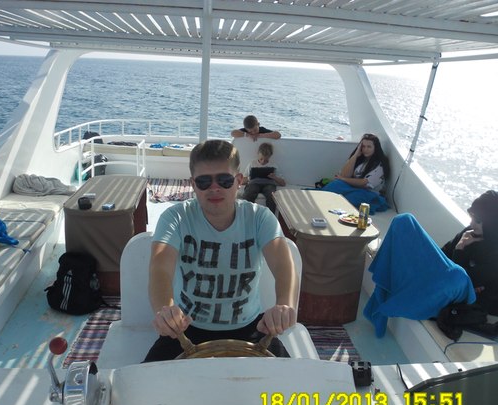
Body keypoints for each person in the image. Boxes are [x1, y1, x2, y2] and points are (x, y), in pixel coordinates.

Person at [144, 139, 298, 362]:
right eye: (204, 181)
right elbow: (160, 268)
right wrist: (165, 309)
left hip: (251, 327)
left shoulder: (260, 218)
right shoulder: (175, 217)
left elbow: (284, 266)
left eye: (224, 180)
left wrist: (284, 305)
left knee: (289, 380)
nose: (214, 188)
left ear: (238, 181)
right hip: (185, 327)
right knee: (145, 380)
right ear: (193, 184)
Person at [363, 190, 498, 338]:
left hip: (462, 295)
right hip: (444, 279)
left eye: (477, 221)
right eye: (472, 218)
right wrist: (455, 250)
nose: (471, 223)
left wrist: (460, 250)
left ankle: (387, 308)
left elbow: (467, 282)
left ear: (491, 223)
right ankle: (382, 295)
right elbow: (443, 254)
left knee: (458, 275)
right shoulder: (469, 232)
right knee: (403, 220)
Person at [318, 133, 390, 211]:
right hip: (354, 187)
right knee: (336, 184)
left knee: (349, 197)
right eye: (363, 146)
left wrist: (343, 179)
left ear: (375, 148)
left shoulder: (380, 164)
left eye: (369, 147)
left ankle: (328, 206)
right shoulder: (361, 160)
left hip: (368, 193)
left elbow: (364, 183)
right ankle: (320, 199)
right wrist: (355, 155)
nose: (365, 149)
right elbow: (344, 175)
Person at [241, 142, 286, 213]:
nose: (262, 162)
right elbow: (242, 181)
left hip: (268, 185)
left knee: (272, 195)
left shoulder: (273, 165)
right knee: (249, 193)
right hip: (254, 183)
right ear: (258, 153)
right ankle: (246, 213)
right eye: (261, 159)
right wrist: (250, 178)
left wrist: (274, 177)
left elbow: (283, 183)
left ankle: (270, 216)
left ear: (270, 156)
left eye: (266, 160)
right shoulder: (252, 163)